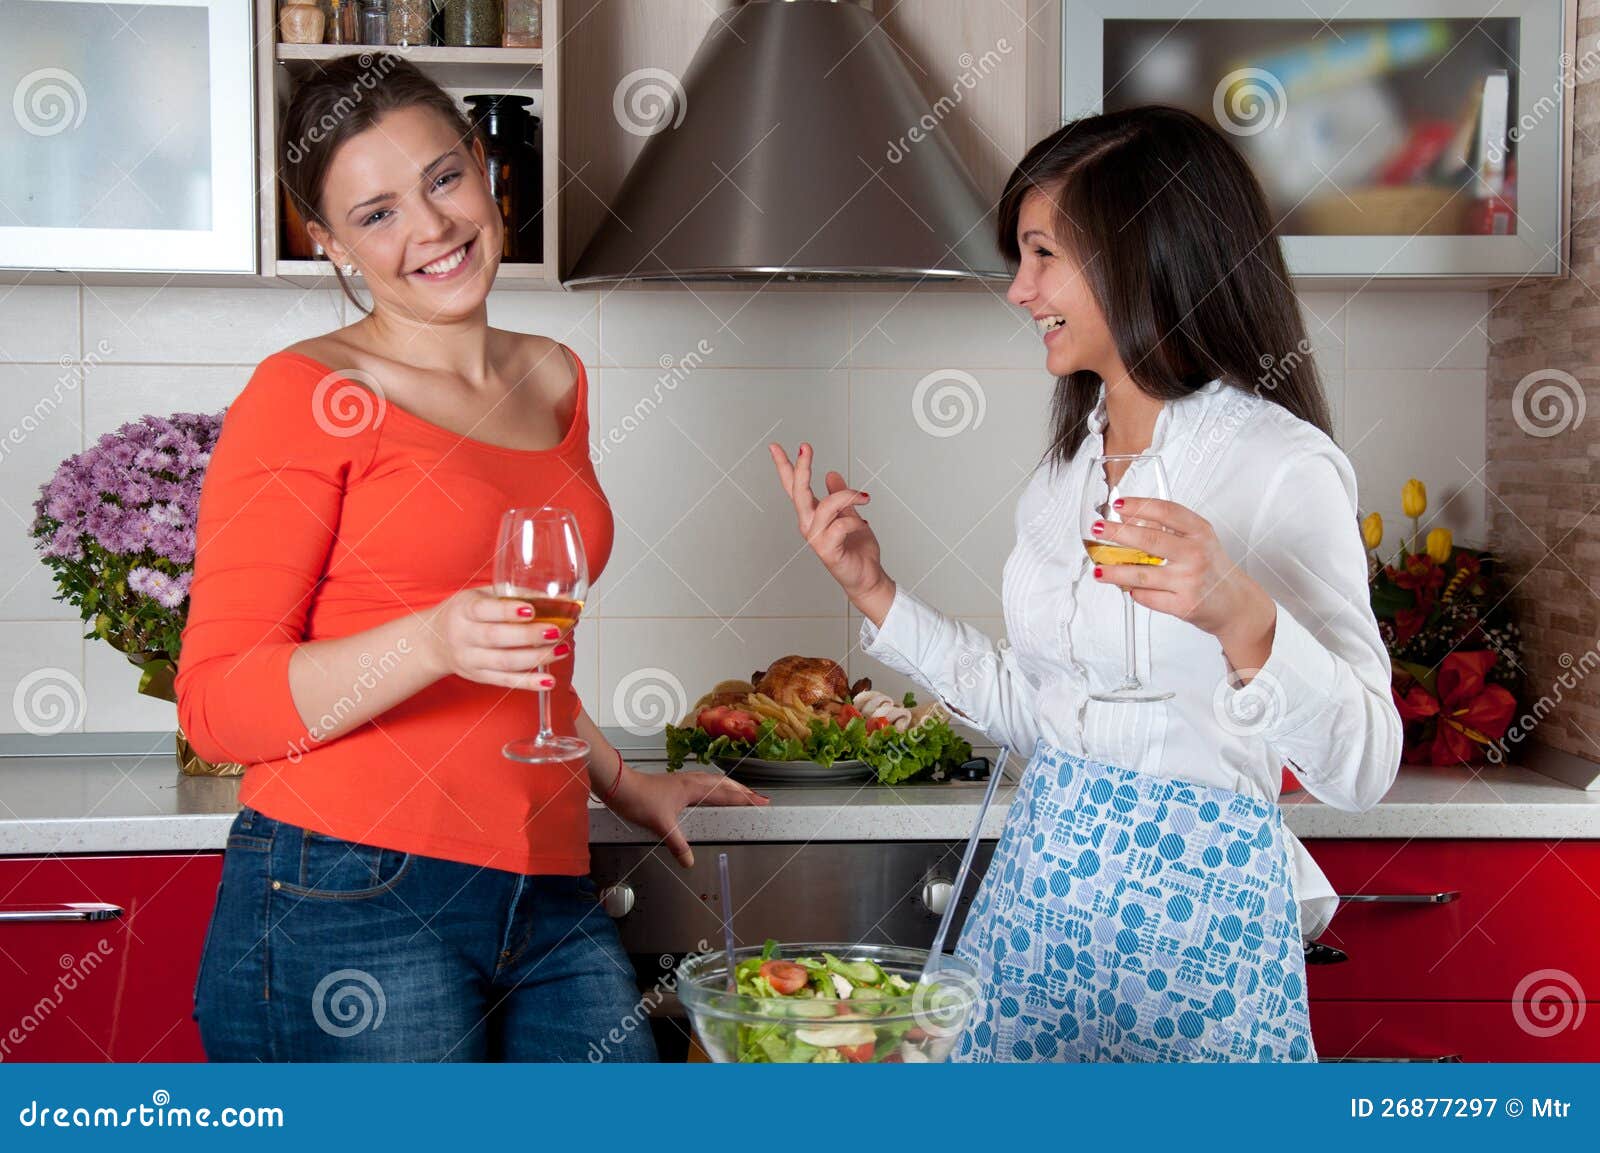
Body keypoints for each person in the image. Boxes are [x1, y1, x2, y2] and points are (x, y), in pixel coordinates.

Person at [770, 106, 1400, 1062]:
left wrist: (1242, 613)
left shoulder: (1279, 466)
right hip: (1040, 913)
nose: (1020, 289)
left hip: (1197, 944)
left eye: (1042, 255)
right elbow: (1037, 712)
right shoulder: (1066, 473)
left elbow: (1363, 768)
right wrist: (876, 593)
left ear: (1142, 252)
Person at [178, 54, 765, 1063]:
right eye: (376, 213)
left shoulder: (553, 378)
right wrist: (434, 636)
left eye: (443, 178)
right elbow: (218, 704)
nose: (432, 227)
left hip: (543, 884)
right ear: (328, 241)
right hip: (346, 889)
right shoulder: (303, 391)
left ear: (485, 168)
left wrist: (626, 784)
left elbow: (527, 653)